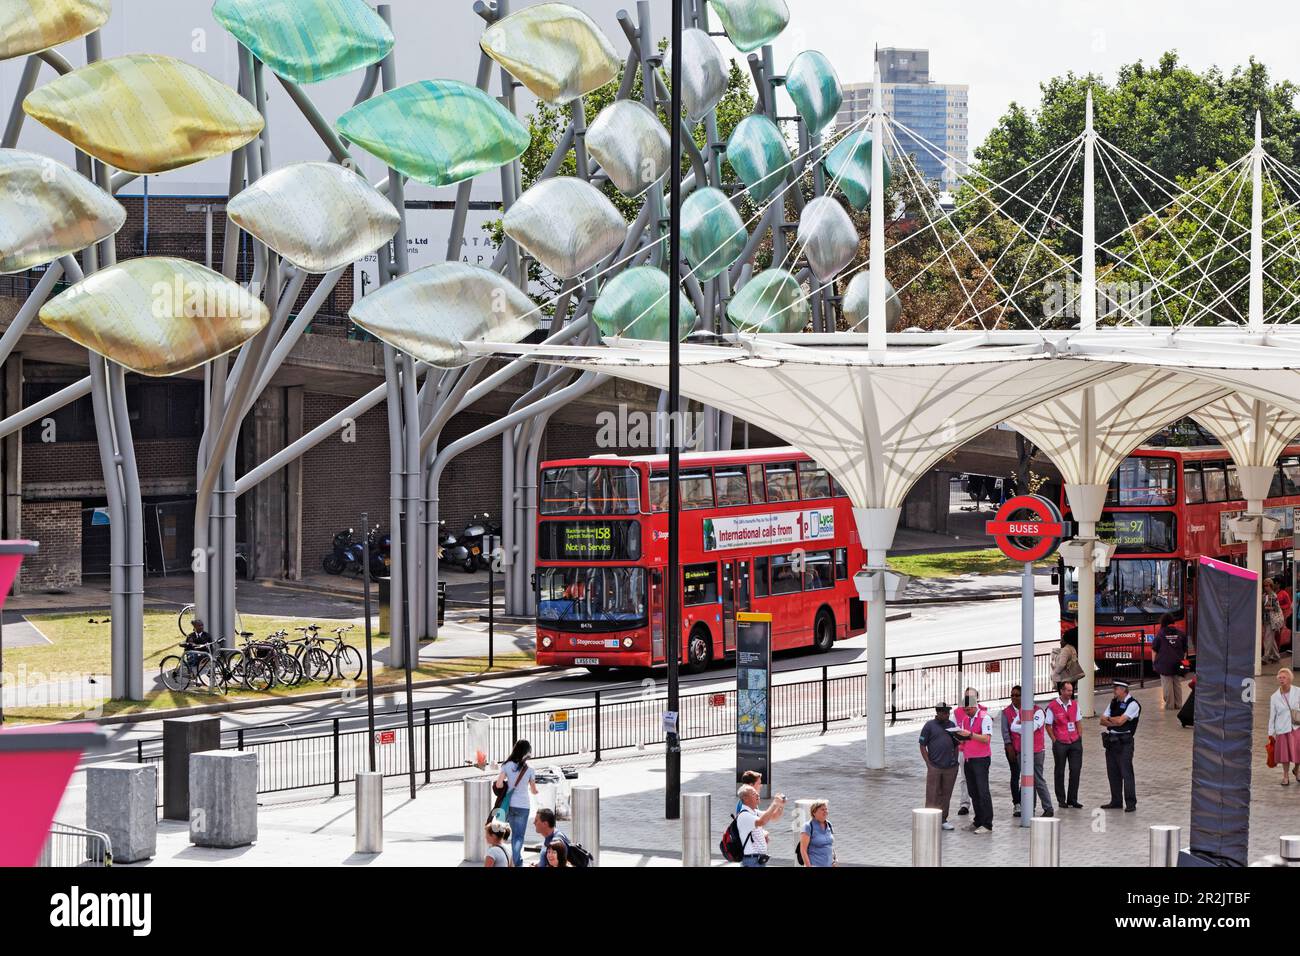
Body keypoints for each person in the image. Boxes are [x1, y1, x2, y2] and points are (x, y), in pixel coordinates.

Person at [1007, 687, 1054, 817]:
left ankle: (1048, 807)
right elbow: (1013, 727)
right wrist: (1025, 727)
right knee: (1027, 780)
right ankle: (1029, 807)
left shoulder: (1038, 712)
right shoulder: (1022, 711)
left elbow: (1032, 728)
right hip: (1024, 750)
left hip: (1037, 751)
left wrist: (1022, 727)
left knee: (1038, 780)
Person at [954, 687, 994, 833]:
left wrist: (970, 735)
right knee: (973, 791)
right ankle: (978, 820)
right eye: (964, 710)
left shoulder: (985, 718)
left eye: (968, 710)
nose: (966, 712)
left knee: (983, 791)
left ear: (973, 706)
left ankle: (987, 823)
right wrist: (958, 737)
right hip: (968, 758)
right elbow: (964, 740)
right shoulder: (965, 719)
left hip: (981, 759)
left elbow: (986, 739)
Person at [1099, 680, 1141, 812]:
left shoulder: (1133, 704)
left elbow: (1121, 721)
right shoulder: (1113, 702)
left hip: (1124, 742)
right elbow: (1101, 720)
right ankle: (1116, 801)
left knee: (1126, 772)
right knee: (1113, 772)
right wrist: (1115, 721)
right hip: (1111, 741)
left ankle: (1130, 803)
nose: (1114, 690)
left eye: (1116, 688)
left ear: (1123, 689)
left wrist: (1111, 720)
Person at [495, 739, 538, 867]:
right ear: (527, 752)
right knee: (518, 836)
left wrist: (508, 785)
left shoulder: (507, 765)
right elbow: (534, 790)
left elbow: (498, 784)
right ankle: (516, 862)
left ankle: (508, 860)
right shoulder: (530, 769)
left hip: (509, 805)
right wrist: (536, 791)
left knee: (505, 833)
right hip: (523, 806)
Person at [918, 702, 961, 830]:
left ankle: (943, 819)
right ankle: (930, 820)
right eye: (944, 712)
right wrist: (928, 763)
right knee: (932, 793)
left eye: (948, 712)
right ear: (938, 713)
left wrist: (955, 760)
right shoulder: (929, 726)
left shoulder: (952, 725)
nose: (947, 714)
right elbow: (922, 745)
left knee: (946, 794)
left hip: (950, 766)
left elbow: (956, 744)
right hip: (935, 766)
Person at [1045, 680, 1084, 808]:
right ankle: (1061, 800)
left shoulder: (1074, 704)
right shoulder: (1052, 706)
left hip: (1074, 741)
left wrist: (1079, 735)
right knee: (1060, 771)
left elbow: (1078, 721)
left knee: (1075, 770)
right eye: (1068, 690)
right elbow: (1048, 725)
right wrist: (1054, 739)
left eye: (1071, 691)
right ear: (1061, 691)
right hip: (1060, 742)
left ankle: (1073, 799)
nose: (1070, 693)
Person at [735, 783, 784, 866]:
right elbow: (762, 821)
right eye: (754, 794)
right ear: (745, 798)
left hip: (758, 860)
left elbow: (774, 817)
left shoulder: (754, 812)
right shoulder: (744, 815)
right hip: (751, 861)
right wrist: (774, 804)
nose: (758, 794)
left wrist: (781, 805)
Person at [1269, 667, 1300, 786]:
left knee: (1298, 751)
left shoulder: (1298, 691)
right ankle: (1285, 776)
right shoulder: (1274, 697)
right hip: (1282, 728)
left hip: (1297, 726)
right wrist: (1270, 732)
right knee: (1285, 754)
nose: (1281, 679)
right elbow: (1272, 715)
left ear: (1290, 679)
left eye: (1284, 677)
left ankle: (1297, 770)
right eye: (1280, 678)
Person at [1152, 613, 1188, 711]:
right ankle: (1178, 705)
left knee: (1167, 685)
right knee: (1177, 684)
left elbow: (1155, 649)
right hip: (1178, 663)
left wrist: (1154, 663)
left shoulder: (1161, 634)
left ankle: (1170, 706)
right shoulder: (1181, 633)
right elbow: (1185, 649)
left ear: (1163, 622)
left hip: (1164, 664)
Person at [798, 800, 835, 867]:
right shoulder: (808, 826)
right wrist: (808, 866)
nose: (825, 811)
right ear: (814, 812)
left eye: (826, 809)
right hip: (815, 864)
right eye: (822, 809)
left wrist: (834, 860)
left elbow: (830, 845)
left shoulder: (829, 824)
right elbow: (803, 850)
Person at [1263, 579, 1284, 665]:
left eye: (1268, 586)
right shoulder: (1264, 595)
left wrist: (1267, 608)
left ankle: (1265, 657)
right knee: (1271, 639)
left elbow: (1276, 608)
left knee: (1267, 639)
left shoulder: (1273, 596)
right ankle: (1276, 656)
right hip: (1267, 620)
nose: (1266, 587)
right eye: (1265, 586)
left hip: (1273, 620)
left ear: (1271, 586)